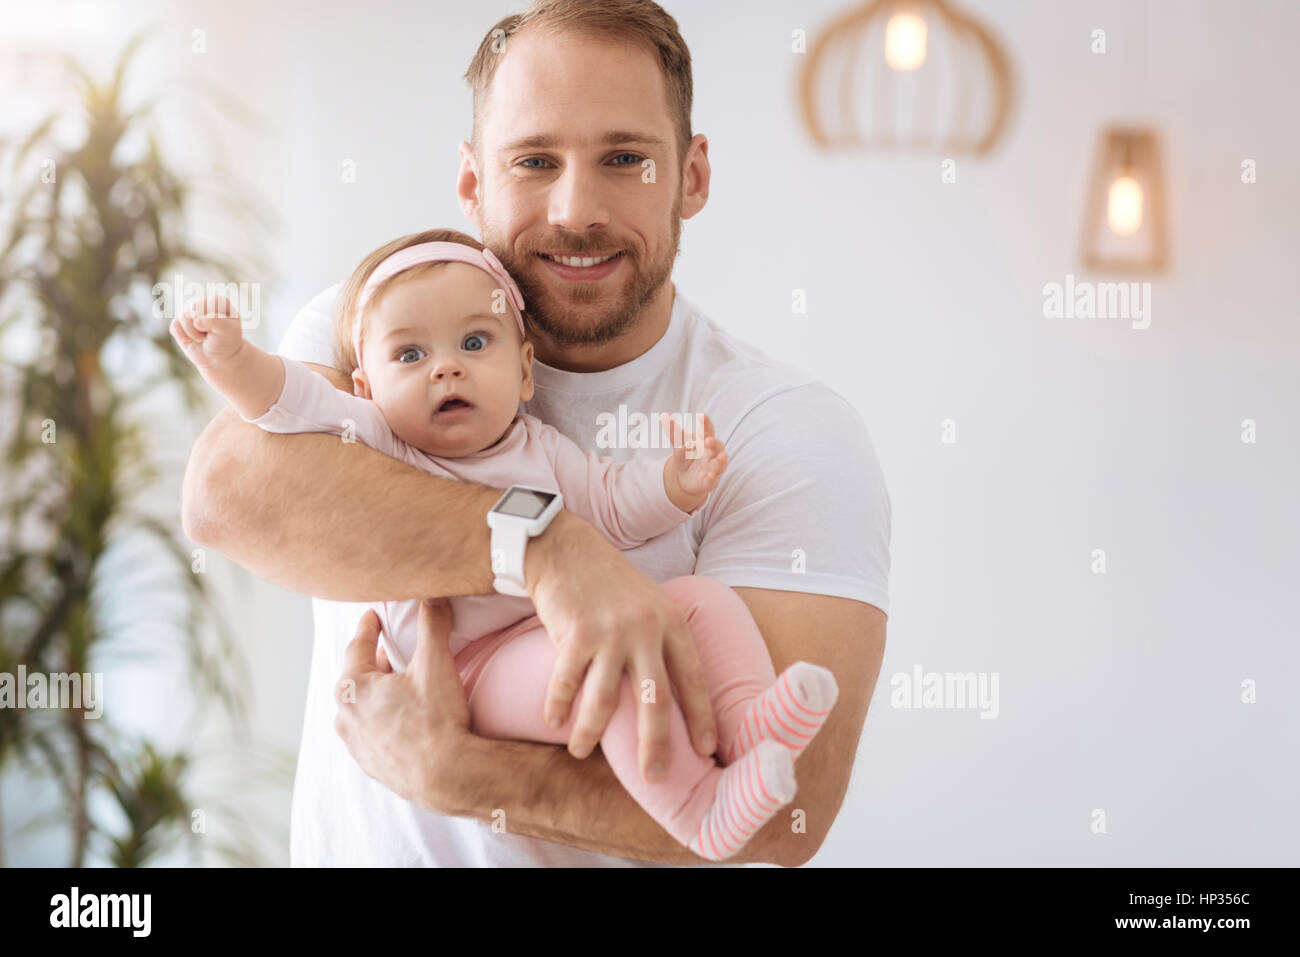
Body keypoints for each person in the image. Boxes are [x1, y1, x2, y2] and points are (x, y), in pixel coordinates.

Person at [181, 0, 891, 867]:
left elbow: (788, 819)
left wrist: (464, 774)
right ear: (474, 181)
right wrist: (547, 550)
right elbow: (229, 498)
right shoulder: (370, 328)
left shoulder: (782, 428)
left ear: (692, 177)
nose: (575, 208)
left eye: (625, 158)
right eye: (533, 160)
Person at [170, 229, 841, 860]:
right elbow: (285, 401)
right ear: (367, 388)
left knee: (700, 600)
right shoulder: (377, 436)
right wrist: (231, 358)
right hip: (468, 670)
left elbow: (611, 503)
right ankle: (700, 807)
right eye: (411, 354)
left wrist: (675, 482)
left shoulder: (540, 447)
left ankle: (748, 719)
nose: (445, 370)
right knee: (598, 671)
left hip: (534, 635)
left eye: (474, 343)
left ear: (524, 373)